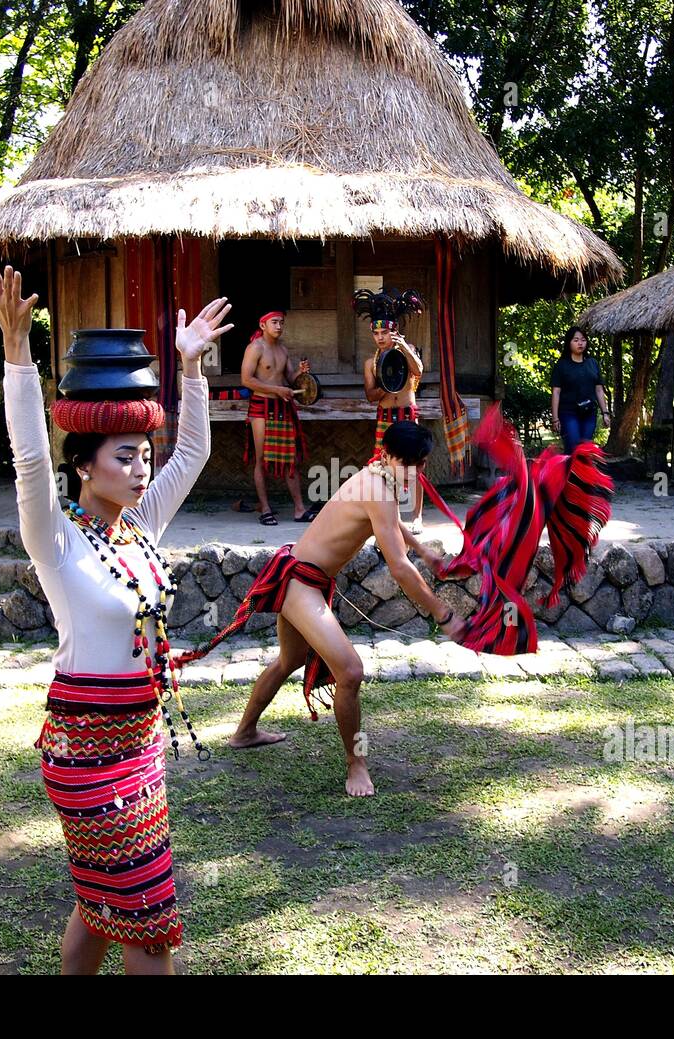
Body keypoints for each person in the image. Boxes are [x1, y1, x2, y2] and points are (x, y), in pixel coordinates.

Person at [0, 264, 231, 976]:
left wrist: (189, 367)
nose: (144, 468)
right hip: (85, 758)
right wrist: (18, 355)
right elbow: (29, 456)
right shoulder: (56, 539)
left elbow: (196, 453)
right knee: (148, 926)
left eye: (145, 454)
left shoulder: (140, 529)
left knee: (99, 907)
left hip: (141, 745)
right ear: (85, 467)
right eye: (126, 456)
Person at [180, 419, 468, 797]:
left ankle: (245, 733)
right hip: (301, 584)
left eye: (423, 463)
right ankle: (356, 764)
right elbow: (397, 566)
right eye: (417, 463)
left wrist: (424, 550)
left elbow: (391, 522)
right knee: (350, 672)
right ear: (395, 457)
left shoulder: (378, 475)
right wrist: (442, 614)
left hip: (302, 579)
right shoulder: (377, 487)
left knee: (289, 660)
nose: (421, 470)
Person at [356, 287, 426, 531]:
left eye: (384, 332)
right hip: (385, 416)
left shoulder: (409, 351)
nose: (379, 337)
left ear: (394, 331)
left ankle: (417, 517)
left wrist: (404, 347)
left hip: (407, 414)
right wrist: (388, 385)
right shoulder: (370, 363)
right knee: (385, 468)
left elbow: (418, 371)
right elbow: (370, 395)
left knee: (414, 466)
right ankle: (392, 517)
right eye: (376, 333)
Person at [240, 310, 314, 526]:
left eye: (282, 322)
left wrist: (300, 373)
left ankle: (299, 509)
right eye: (274, 322)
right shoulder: (255, 348)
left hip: (281, 406)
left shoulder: (282, 349)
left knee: (290, 459)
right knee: (261, 460)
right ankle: (265, 509)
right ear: (263, 325)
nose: (279, 326)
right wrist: (276, 390)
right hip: (261, 407)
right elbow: (246, 379)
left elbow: (289, 379)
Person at [550, 327, 610, 450]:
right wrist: (555, 419)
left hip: (589, 412)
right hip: (568, 412)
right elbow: (556, 392)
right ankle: (569, 469)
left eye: (583, 340)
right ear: (569, 343)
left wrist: (605, 413)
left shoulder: (593, 363)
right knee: (573, 447)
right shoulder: (561, 365)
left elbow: (599, 390)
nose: (580, 343)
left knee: (585, 449)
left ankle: (581, 469)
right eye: (576, 340)